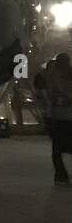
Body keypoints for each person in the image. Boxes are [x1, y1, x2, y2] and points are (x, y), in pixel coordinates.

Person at [40, 54, 72, 184]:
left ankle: (61, 175)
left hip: (59, 118)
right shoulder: (55, 77)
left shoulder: (54, 77)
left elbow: (51, 97)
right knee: (59, 149)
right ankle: (61, 175)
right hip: (64, 118)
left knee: (57, 149)